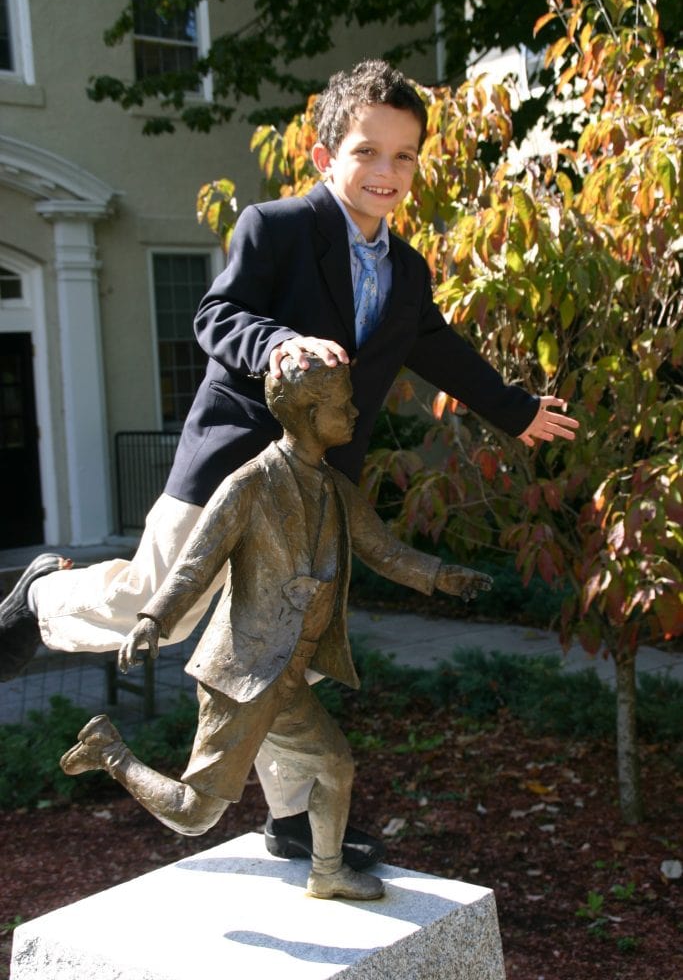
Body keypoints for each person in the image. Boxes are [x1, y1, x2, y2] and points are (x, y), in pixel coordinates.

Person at [0, 59, 578, 866]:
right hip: (232, 459)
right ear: (323, 156)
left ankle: (296, 819)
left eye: (403, 156)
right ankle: (43, 600)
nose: (386, 172)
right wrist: (281, 344)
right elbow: (216, 314)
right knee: (155, 596)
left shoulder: (406, 270)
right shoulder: (274, 228)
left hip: (316, 485)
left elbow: (433, 345)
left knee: (276, 643)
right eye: (367, 152)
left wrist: (514, 412)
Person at [60, 356, 493, 901]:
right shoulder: (249, 484)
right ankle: (109, 751)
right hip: (241, 675)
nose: (356, 412)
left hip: (286, 675)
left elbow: (384, 551)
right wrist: (153, 618)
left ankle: (328, 871)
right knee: (195, 817)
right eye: (343, 406)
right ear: (312, 414)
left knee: (335, 765)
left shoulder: (336, 487)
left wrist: (444, 577)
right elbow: (196, 564)